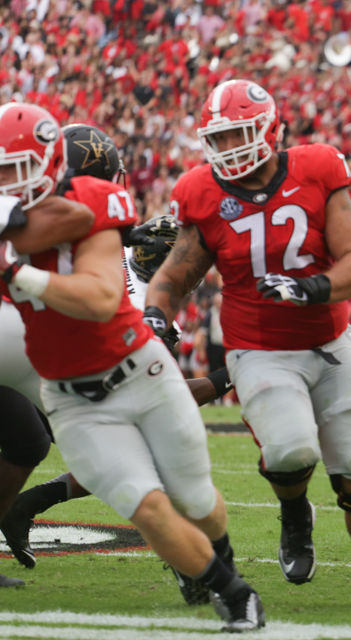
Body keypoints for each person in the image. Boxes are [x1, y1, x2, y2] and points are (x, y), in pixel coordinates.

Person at [145, 79, 351, 609]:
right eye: (220, 139)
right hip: (257, 347)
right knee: (289, 449)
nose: (229, 149)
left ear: (270, 128)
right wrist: (156, 315)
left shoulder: (317, 168)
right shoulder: (201, 191)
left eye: (239, 135)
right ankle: (296, 514)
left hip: (328, 340)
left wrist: (310, 287)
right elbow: (176, 275)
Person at [0, 102, 263, 631]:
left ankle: (220, 559)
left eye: (21, 167)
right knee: (146, 505)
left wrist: (16, 272)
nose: (12, 181)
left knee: (196, 498)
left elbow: (99, 297)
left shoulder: (97, 199)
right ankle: (234, 593)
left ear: (54, 164)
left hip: (140, 372)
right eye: (3, 169)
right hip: (71, 397)